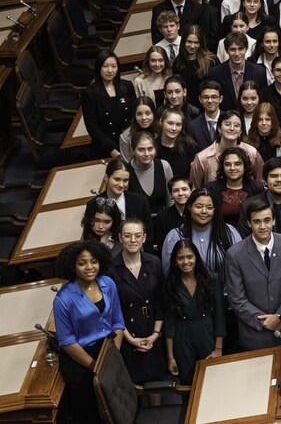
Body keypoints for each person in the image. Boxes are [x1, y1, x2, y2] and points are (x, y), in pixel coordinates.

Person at [53, 241, 125, 423]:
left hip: (108, 349)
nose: (89, 267)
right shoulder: (63, 299)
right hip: (81, 360)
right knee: (90, 414)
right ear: (72, 266)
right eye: (82, 263)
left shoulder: (108, 283)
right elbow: (67, 341)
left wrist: (112, 356)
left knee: (116, 409)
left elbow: (117, 321)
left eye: (93, 261)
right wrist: (97, 367)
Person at [225, 198, 281, 350]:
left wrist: (280, 317)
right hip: (254, 336)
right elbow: (236, 298)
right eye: (257, 221)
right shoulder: (235, 254)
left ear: (274, 221)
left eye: (267, 220)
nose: (262, 226)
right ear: (248, 223)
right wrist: (265, 322)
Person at [109, 219, 166, 392]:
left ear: (144, 238)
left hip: (152, 330)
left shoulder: (154, 262)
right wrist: (130, 339)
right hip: (126, 332)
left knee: (155, 384)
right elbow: (113, 309)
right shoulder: (111, 268)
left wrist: (155, 334)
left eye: (137, 235)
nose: (133, 240)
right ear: (120, 238)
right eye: (127, 235)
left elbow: (161, 300)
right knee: (133, 387)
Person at [163, 239, 225, 386]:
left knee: (213, 380)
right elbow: (169, 322)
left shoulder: (212, 279)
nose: (186, 261)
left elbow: (219, 316)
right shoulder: (170, 283)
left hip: (206, 332)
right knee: (187, 383)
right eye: (180, 258)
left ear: (196, 257)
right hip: (182, 336)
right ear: (175, 261)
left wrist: (218, 348)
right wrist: (171, 356)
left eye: (189, 257)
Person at [161, 188, 241, 280]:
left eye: (209, 207)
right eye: (198, 206)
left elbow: (239, 268)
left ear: (215, 211)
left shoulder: (229, 232)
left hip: (224, 292)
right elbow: (169, 274)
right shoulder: (176, 236)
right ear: (189, 208)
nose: (204, 211)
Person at [189, 110, 265, 189]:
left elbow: (260, 184)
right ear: (219, 129)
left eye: (236, 125)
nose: (232, 128)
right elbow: (195, 189)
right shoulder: (202, 158)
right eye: (227, 124)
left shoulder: (251, 153)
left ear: (241, 131)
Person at [83, 50, 136, 158]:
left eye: (114, 66)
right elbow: (92, 126)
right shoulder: (90, 93)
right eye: (105, 66)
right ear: (98, 68)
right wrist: (111, 149)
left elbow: (135, 113)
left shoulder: (127, 86)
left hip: (129, 141)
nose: (110, 70)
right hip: (106, 147)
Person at [126, 131, 174, 216]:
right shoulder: (126, 171)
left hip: (162, 222)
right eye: (141, 150)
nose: (146, 154)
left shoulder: (164, 166)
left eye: (150, 148)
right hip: (137, 224)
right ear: (133, 150)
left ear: (155, 149)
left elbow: (171, 200)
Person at [157, 106, 199, 180]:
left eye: (178, 124)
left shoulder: (188, 146)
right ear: (161, 122)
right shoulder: (153, 146)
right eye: (170, 123)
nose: (174, 128)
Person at [118, 96, 157, 164]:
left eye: (148, 113)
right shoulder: (125, 137)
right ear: (134, 115)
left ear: (153, 114)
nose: (144, 117)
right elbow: (126, 164)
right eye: (139, 114)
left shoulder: (161, 132)